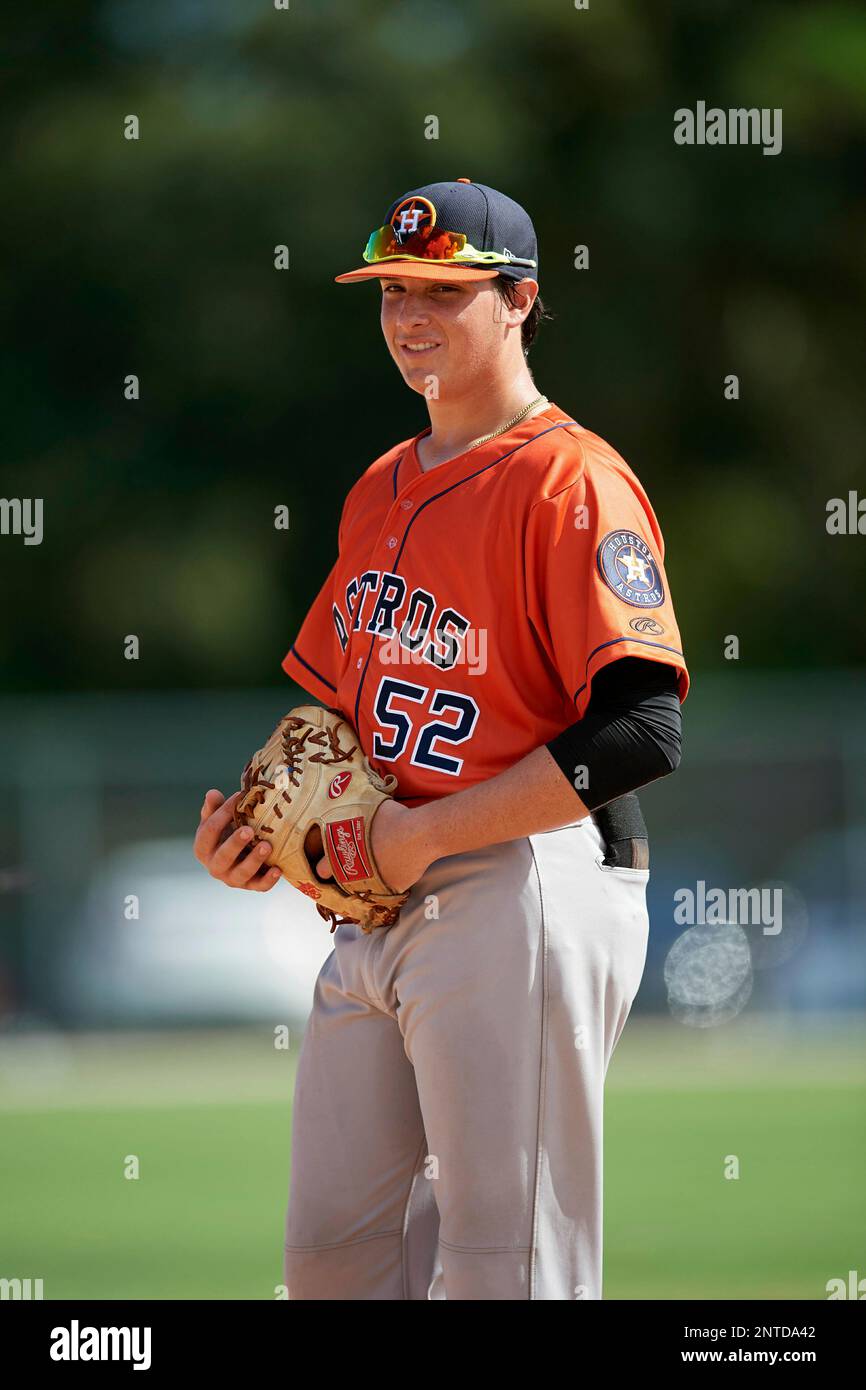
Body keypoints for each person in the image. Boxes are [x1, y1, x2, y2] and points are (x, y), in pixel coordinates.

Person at [194, 179, 689, 1300]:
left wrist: (419, 839)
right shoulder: (380, 485)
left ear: (516, 300)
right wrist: (258, 831)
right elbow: (338, 719)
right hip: (374, 896)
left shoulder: (571, 480)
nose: (408, 315)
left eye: (443, 290)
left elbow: (640, 731)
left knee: (500, 1265)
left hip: (522, 878)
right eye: (392, 291)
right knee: (331, 1258)